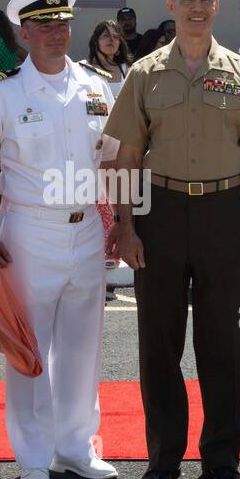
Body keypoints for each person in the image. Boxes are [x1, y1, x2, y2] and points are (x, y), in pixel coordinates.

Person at [106, 0, 240, 479]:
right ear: (171, 6)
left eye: (205, 0)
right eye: (187, 0)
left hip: (223, 214)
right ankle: (163, 460)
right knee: (158, 342)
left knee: (224, 342)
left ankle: (222, 459)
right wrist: (126, 227)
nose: (196, 9)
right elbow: (127, 157)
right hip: (158, 213)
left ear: (216, 6)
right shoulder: (143, 74)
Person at [0, 0, 120, 479]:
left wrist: (118, 218)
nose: (56, 33)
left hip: (86, 227)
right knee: (29, 343)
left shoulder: (97, 86)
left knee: (83, 342)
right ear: (24, 31)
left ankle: (76, 445)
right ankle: (33, 454)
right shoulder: (2, 90)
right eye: (44, 25)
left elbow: (115, 158)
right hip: (28, 229)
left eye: (62, 23)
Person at [79, 20, 136, 297]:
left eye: (115, 37)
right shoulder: (83, 72)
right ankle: (99, 268)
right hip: (98, 148)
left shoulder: (129, 69)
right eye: (105, 36)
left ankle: (114, 263)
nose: (111, 41)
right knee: (99, 207)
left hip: (124, 147)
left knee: (121, 204)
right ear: (95, 41)